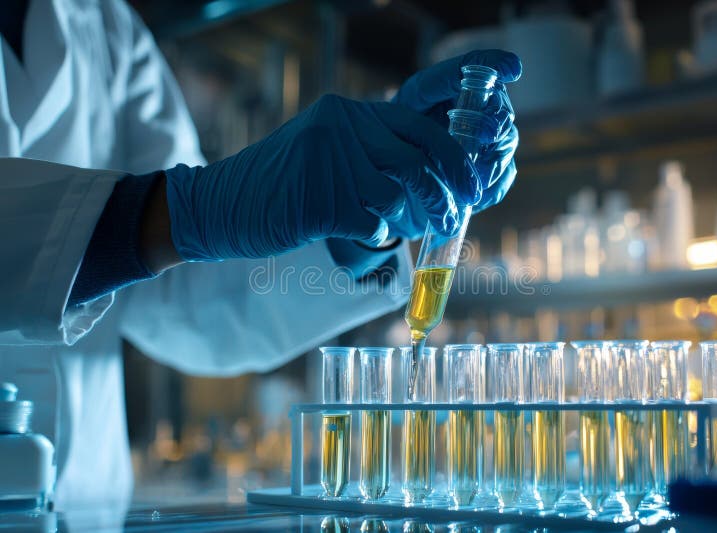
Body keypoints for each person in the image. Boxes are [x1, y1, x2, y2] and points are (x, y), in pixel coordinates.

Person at [0, 0, 520, 508]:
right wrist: (185, 212)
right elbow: (171, 225)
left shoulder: (107, 23)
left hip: (87, 500)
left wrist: (362, 231)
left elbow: (173, 288)